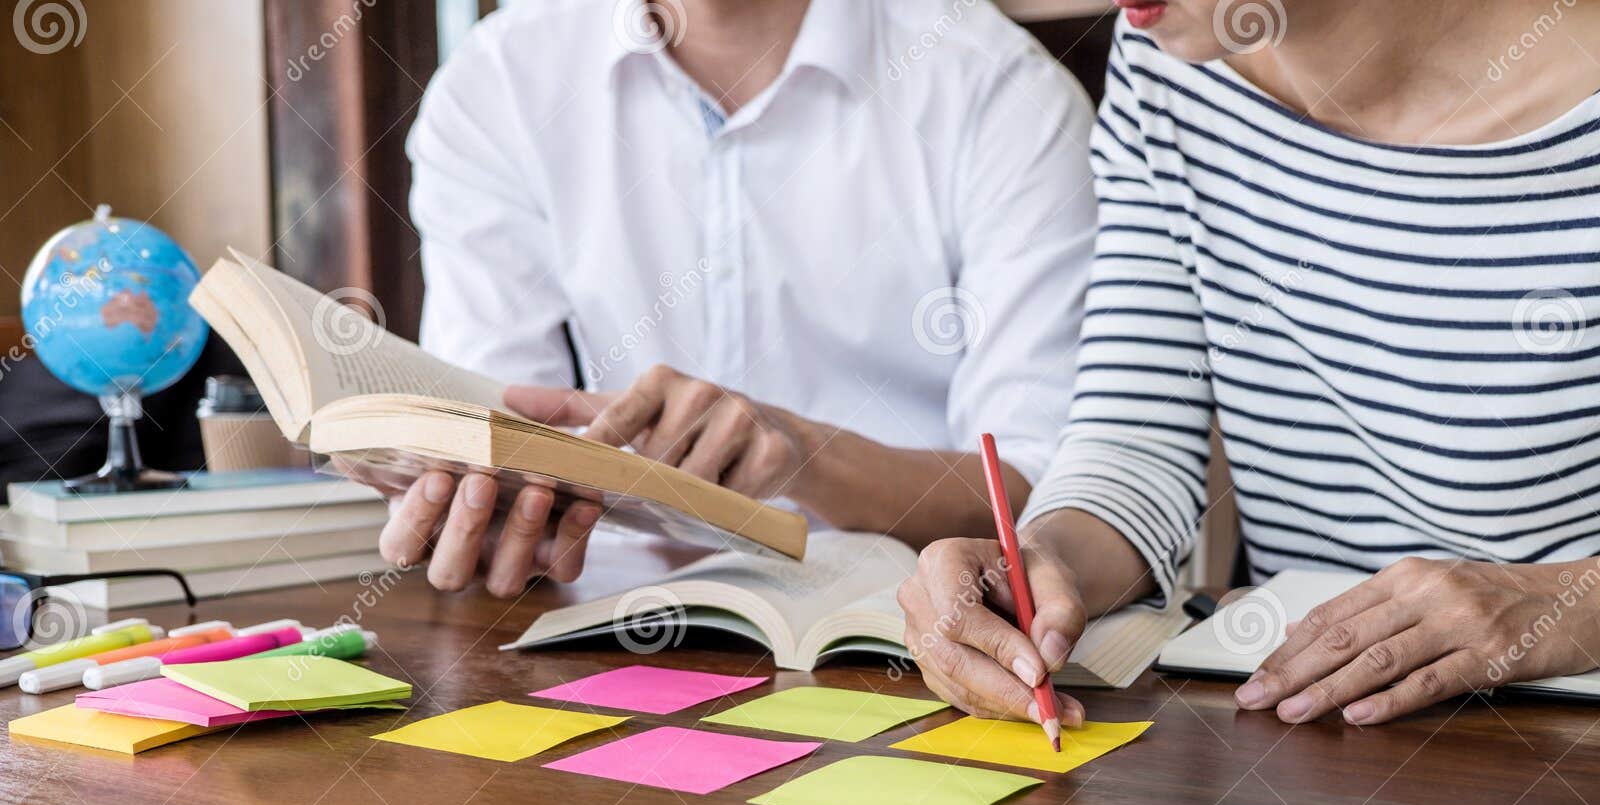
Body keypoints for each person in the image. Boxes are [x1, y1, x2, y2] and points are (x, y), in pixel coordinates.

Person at [900, 0, 1600, 728]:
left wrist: (1571, 607)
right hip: (1307, 741)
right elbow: (1134, 444)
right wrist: (1040, 566)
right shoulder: (1169, 71)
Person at [376, 0, 1098, 597]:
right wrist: (467, 492)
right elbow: (495, 411)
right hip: (596, 619)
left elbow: (1045, 493)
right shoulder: (498, 83)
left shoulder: (997, 88)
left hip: (906, 632)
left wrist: (802, 453)